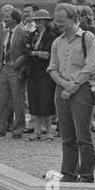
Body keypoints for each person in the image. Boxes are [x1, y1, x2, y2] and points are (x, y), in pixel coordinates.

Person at [49, 2, 95, 182]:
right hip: (61, 89)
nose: (59, 25)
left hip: (82, 89)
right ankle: (68, 173)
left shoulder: (87, 38)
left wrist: (73, 86)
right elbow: (52, 68)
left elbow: (92, 65)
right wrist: (64, 84)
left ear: (74, 19)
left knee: (82, 135)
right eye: (57, 21)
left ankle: (86, 173)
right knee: (66, 135)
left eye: (62, 21)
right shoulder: (57, 42)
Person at [0, 9, 29, 139]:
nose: (4, 19)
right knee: (2, 99)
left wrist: (18, 63)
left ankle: (18, 129)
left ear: (14, 19)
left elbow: (27, 51)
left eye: (7, 17)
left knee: (17, 100)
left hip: (16, 69)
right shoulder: (6, 32)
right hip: (4, 68)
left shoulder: (23, 32)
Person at [25, 9, 57, 140]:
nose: (37, 23)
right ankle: (37, 131)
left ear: (46, 21)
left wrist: (35, 53)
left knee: (46, 101)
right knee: (34, 101)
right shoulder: (32, 34)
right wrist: (37, 53)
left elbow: (49, 53)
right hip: (33, 72)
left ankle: (49, 131)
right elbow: (26, 50)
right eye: (36, 20)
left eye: (40, 20)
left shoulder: (52, 35)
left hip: (45, 72)